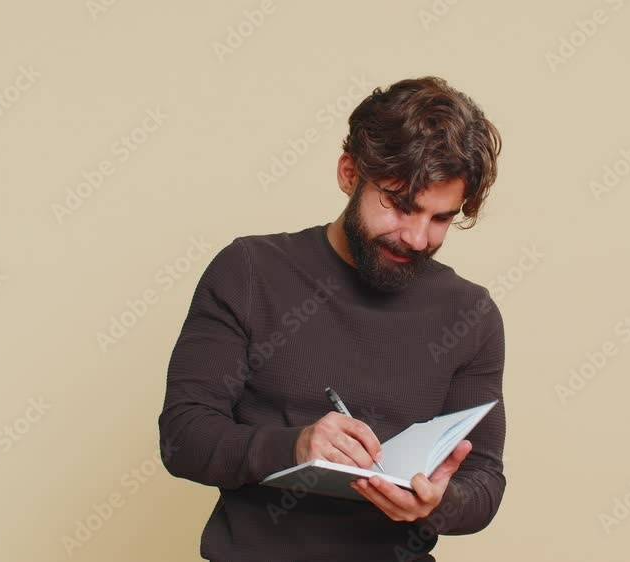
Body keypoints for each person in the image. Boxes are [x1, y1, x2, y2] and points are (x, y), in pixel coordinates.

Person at [158, 76, 506, 562]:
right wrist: (296, 447)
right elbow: (182, 437)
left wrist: (438, 502)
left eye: (440, 218)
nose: (417, 237)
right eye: (400, 204)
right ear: (349, 174)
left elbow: (484, 482)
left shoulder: (471, 314)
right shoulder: (250, 271)